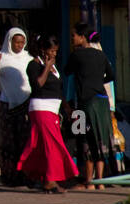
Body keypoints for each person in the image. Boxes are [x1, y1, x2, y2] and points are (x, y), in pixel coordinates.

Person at [19, 35, 77, 192]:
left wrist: (67, 108)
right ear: (43, 50)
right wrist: (46, 67)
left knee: (45, 145)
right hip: (41, 108)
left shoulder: (54, 66)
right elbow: (38, 85)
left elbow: (57, 89)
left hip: (53, 109)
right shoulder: (33, 65)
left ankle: (40, 176)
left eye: (56, 51)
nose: (54, 54)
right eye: (51, 51)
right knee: (53, 145)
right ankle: (51, 180)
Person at [67, 22, 115, 189]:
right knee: (100, 139)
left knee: (84, 139)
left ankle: (88, 181)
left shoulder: (76, 55)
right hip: (101, 102)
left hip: (83, 104)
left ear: (82, 37)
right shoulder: (101, 55)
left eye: (74, 35)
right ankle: (99, 181)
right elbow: (111, 75)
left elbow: (66, 72)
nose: (72, 38)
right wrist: (96, 82)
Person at [0, 27, 32, 188]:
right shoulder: (1, 58)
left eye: (22, 42)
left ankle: (26, 176)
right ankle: (10, 177)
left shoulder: (28, 59)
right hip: (6, 104)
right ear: (10, 42)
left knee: (24, 141)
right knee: (9, 143)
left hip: (25, 104)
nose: (19, 45)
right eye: (17, 42)